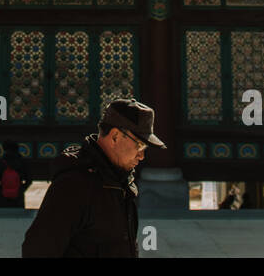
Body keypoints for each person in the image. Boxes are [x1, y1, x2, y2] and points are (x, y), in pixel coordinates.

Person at [21, 98, 165, 258]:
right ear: (115, 136)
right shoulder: (75, 184)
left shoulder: (122, 181)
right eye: (139, 145)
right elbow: (38, 250)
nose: (142, 156)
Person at [0, 140, 32, 208]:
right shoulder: (22, 162)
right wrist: (21, 189)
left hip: (2, 198)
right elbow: (29, 179)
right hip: (17, 198)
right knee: (18, 216)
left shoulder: (2, 161)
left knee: (2, 216)